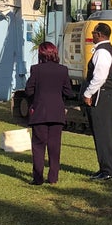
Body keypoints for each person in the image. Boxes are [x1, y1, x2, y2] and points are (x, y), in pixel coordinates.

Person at [24, 41, 71, 185]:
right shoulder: (63, 70)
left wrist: (35, 99)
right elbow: (68, 91)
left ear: (41, 54)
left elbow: (29, 90)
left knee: (38, 146)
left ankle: (38, 178)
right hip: (57, 112)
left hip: (40, 112)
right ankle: (53, 177)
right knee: (54, 146)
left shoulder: (36, 69)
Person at [80, 22, 112, 181]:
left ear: (99, 34)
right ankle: (106, 167)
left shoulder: (102, 52)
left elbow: (100, 77)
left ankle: (108, 170)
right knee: (104, 133)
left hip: (101, 95)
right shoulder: (108, 50)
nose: (93, 35)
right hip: (107, 95)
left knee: (103, 133)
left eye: (95, 32)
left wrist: (88, 93)